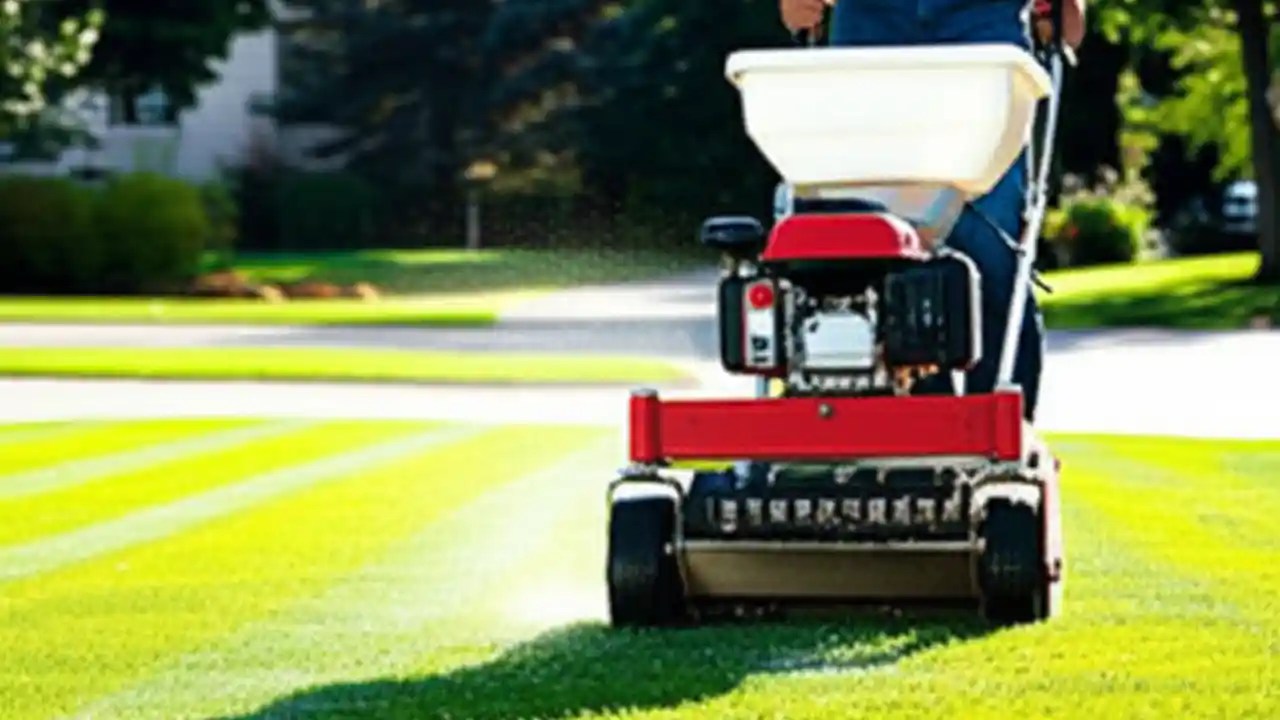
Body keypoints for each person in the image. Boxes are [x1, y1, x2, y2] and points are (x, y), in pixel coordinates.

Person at [778, 0, 1085, 423]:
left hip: (981, 24)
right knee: (876, 245)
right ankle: (919, 421)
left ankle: (999, 432)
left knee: (993, 252)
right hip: (872, 22)